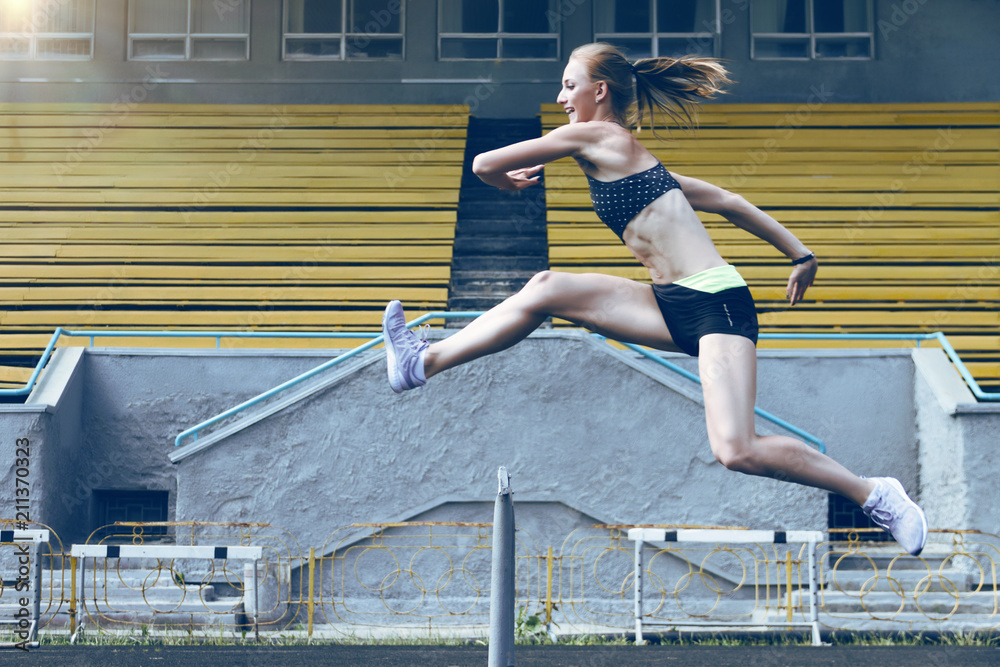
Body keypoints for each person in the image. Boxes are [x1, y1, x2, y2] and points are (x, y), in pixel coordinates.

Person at [381, 43, 927, 555]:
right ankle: (419, 362)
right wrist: (800, 255)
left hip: (718, 305)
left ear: (600, 92)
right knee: (547, 287)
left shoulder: (598, 138)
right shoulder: (637, 162)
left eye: (569, 86)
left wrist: (504, 183)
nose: (560, 98)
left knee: (737, 450)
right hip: (670, 303)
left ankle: (873, 493)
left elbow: (483, 163)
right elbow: (728, 200)